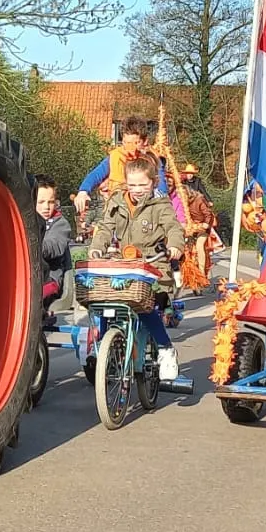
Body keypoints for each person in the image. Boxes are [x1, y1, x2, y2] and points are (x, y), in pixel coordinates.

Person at [87, 156, 186, 381]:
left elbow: (173, 228)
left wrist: (174, 246)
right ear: (125, 182)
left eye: (143, 184)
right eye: (132, 184)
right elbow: (105, 228)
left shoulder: (160, 205)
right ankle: (103, 346)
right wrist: (96, 248)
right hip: (126, 262)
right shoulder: (117, 201)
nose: (137, 190)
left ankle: (166, 349)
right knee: (107, 299)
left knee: (145, 306)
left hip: (154, 263)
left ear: (153, 182)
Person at [74, 116, 167, 217]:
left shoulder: (153, 160)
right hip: (117, 212)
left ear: (145, 141)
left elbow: (162, 191)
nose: (130, 148)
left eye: (136, 143)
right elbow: (95, 175)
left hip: (145, 212)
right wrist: (83, 191)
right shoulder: (115, 157)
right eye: (126, 143)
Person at [35, 177, 75, 310]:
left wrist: (32, 248)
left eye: (51, 202)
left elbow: (54, 246)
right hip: (30, 276)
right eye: (41, 202)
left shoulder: (60, 224)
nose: (46, 207)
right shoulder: (26, 222)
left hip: (50, 279)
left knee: (31, 296)